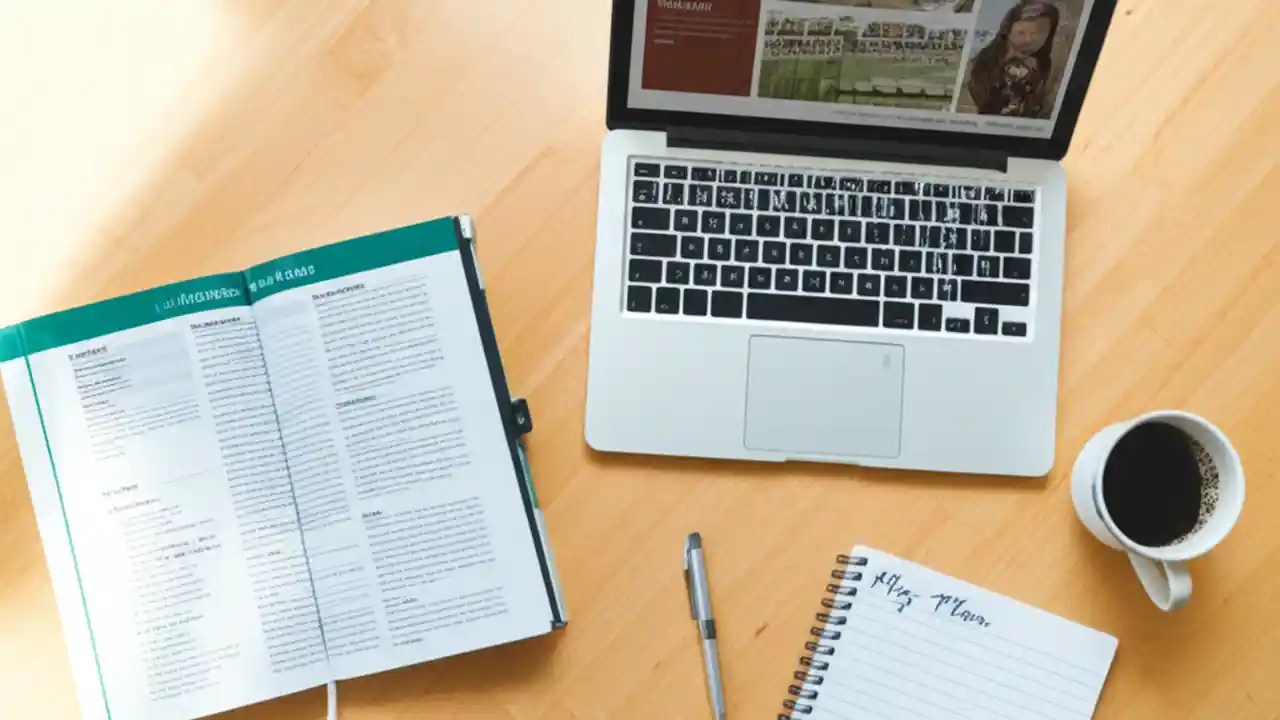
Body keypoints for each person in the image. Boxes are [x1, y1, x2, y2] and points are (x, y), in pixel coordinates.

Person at [966, 0, 1060, 117]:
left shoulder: (1043, 65)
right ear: (1007, 31)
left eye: (1038, 34)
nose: (1029, 40)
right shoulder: (982, 65)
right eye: (1021, 33)